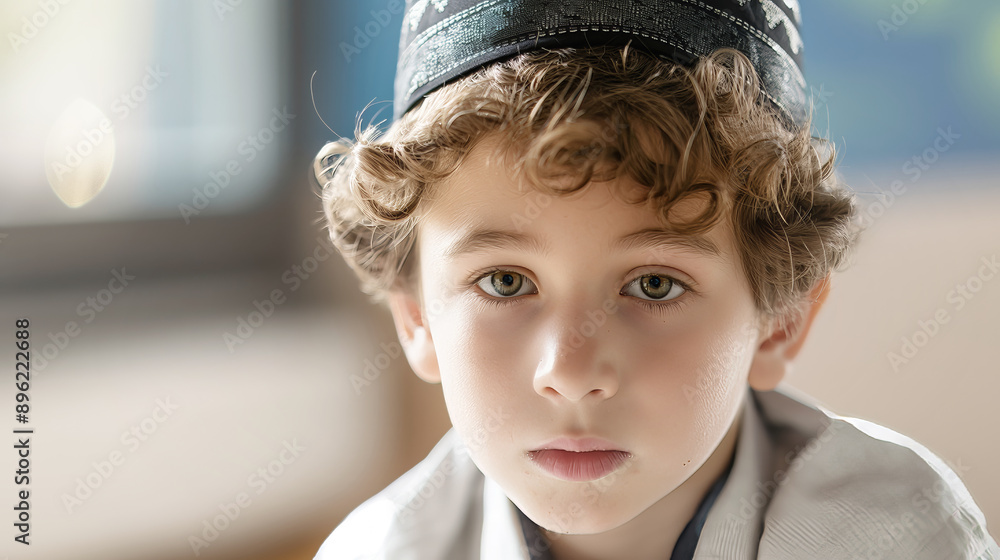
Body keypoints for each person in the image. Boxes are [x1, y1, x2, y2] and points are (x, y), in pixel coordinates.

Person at [311, 1, 1000, 558]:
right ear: (417, 320)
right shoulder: (384, 548)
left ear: (779, 320)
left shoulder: (893, 538)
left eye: (653, 285)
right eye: (506, 282)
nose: (573, 371)